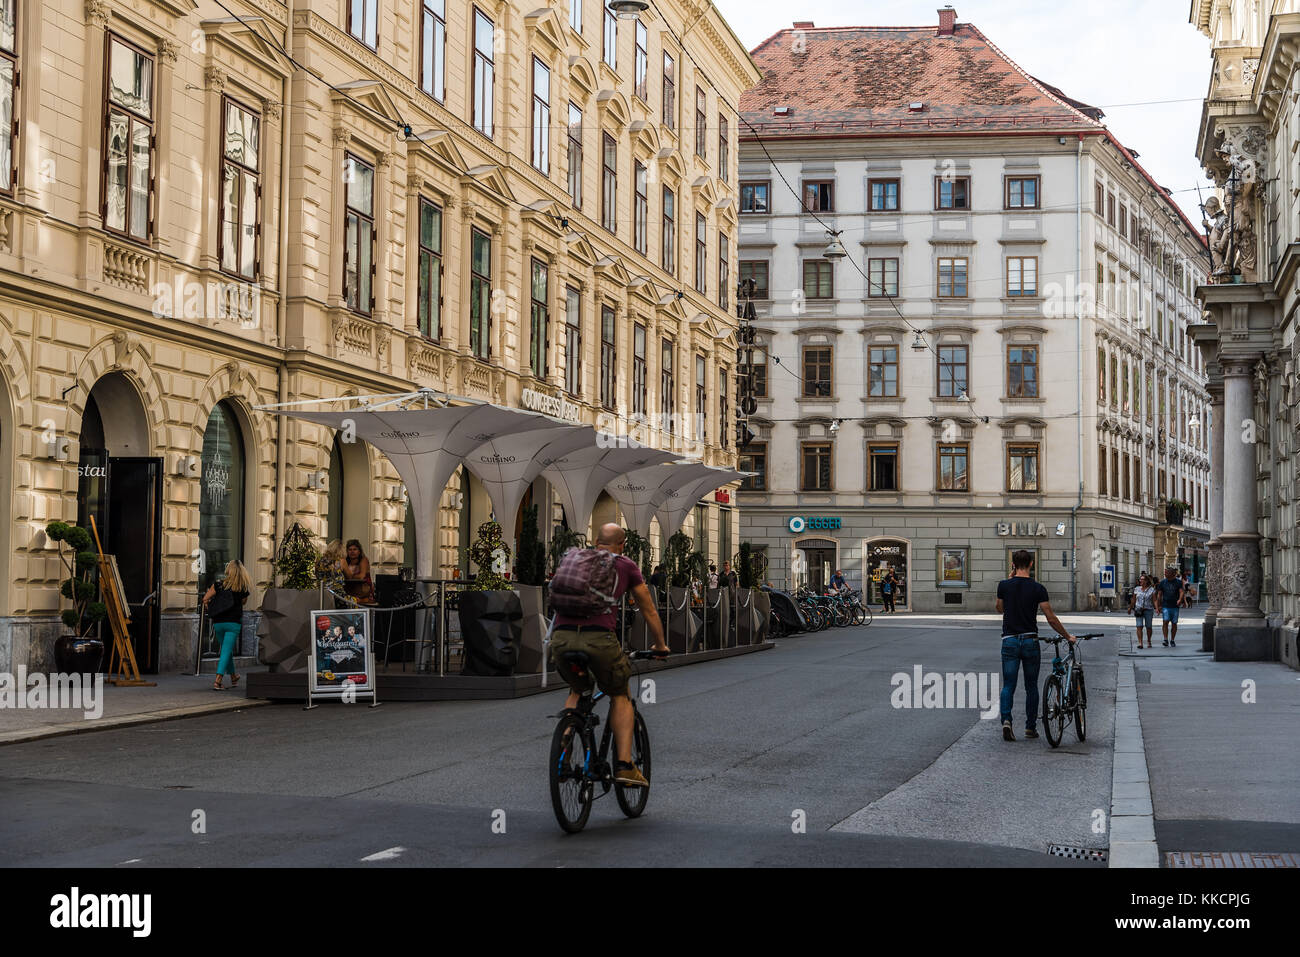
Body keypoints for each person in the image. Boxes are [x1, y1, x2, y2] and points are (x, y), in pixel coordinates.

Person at [549, 524, 669, 788]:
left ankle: (564, 745)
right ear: (622, 545)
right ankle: (625, 766)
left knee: (577, 689)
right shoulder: (624, 565)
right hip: (599, 639)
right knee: (620, 693)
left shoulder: (574, 560)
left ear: (595, 541)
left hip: (561, 638)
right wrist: (660, 645)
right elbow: (647, 608)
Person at [995, 549, 1075, 742]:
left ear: (1013, 565)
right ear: (1031, 564)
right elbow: (1051, 618)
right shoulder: (1038, 588)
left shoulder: (1004, 585)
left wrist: (1008, 582)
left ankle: (1007, 720)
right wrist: (1067, 636)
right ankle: (1030, 728)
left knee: (1008, 685)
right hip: (1030, 640)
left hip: (1010, 641)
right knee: (1031, 686)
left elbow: (999, 608)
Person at [203, 559, 251, 691]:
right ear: (241, 572)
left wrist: (212, 609)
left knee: (226, 650)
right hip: (233, 624)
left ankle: (234, 676)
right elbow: (243, 602)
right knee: (225, 651)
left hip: (218, 623)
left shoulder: (218, 584)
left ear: (228, 570)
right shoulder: (243, 587)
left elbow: (205, 599)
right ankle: (218, 681)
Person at [1154, 566, 1184, 647]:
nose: (1165, 574)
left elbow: (1181, 592)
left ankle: (1172, 640)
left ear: (1172, 574)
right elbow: (1159, 595)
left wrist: (1180, 599)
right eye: (1165, 572)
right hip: (1165, 605)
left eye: (1167, 573)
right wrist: (1159, 606)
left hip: (1175, 606)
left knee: (1174, 623)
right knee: (1165, 621)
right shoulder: (1162, 582)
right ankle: (1165, 639)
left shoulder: (1178, 582)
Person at [342, 539, 376, 604]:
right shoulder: (346, 561)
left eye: (355, 549)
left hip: (363, 591)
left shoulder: (363, 560)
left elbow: (361, 576)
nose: (352, 552)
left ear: (359, 551)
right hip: (350, 590)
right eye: (350, 549)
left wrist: (350, 576)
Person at [1128, 573, 1156, 650]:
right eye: (1140, 579)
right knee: (1139, 626)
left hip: (1148, 610)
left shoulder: (1152, 589)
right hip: (1138, 609)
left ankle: (1149, 641)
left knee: (1149, 627)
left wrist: (1157, 608)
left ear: (1147, 581)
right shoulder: (1137, 589)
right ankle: (1140, 642)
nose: (1141, 581)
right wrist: (1130, 608)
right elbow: (1133, 599)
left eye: (1143, 579)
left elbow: (1154, 600)